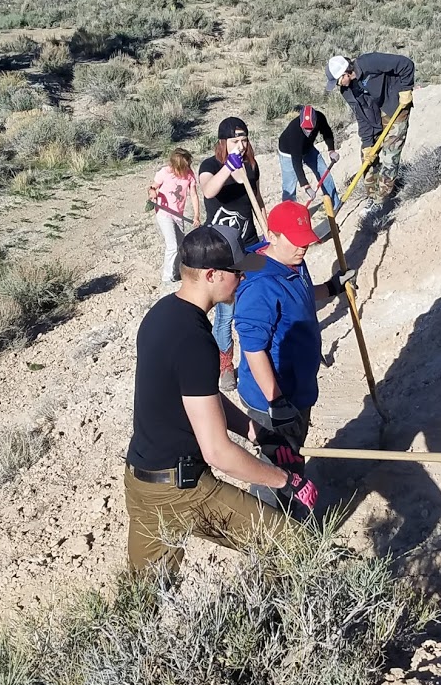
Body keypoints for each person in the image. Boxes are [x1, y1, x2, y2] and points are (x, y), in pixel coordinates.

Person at [124, 223, 318, 573]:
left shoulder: (163, 314)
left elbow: (203, 399)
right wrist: (286, 479)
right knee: (295, 548)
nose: (243, 279)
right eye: (237, 272)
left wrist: (257, 432)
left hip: (142, 484)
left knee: (144, 598)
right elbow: (218, 453)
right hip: (185, 489)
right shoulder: (196, 342)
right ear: (211, 275)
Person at [234, 201, 355, 457]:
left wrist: (332, 288)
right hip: (273, 397)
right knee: (277, 470)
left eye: (306, 241)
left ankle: (294, 493)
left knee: (293, 456)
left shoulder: (293, 259)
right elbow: (253, 349)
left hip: (298, 386)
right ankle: (273, 498)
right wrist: (276, 402)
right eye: (295, 240)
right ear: (272, 236)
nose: (303, 248)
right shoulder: (259, 286)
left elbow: (298, 296)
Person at [199, 117, 267, 392]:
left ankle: (259, 356)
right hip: (222, 251)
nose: (241, 145)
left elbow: (258, 200)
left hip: (249, 245)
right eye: (235, 141)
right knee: (227, 312)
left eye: (244, 140)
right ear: (222, 142)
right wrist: (228, 168)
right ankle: (225, 366)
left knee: (258, 298)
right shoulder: (210, 166)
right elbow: (208, 189)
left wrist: (267, 229)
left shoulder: (251, 165)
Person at [325, 53, 415, 205]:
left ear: (346, 72)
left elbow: (406, 64)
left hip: (395, 106)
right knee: (367, 158)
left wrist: (406, 88)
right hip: (375, 116)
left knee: (389, 156)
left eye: (338, 81)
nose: (338, 85)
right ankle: (372, 197)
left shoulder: (369, 62)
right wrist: (367, 144)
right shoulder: (347, 91)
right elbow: (361, 116)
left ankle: (381, 202)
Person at [147, 147, 200, 285]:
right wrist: (153, 193)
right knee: (172, 245)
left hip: (178, 215)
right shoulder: (165, 172)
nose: (188, 168)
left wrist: (196, 215)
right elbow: (152, 187)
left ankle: (176, 272)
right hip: (164, 213)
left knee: (181, 245)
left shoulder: (189, 175)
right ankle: (167, 277)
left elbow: (193, 195)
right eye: (185, 166)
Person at [277, 104, 341, 211]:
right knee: (289, 186)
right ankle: (289, 215)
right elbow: (296, 161)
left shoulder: (320, 117)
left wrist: (331, 150)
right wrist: (306, 186)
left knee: (324, 173)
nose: (308, 131)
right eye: (305, 128)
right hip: (288, 153)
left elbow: (327, 132)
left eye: (310, 128)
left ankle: (334, 204)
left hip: (308, 149)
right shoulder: (295, 130)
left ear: (315, 121)